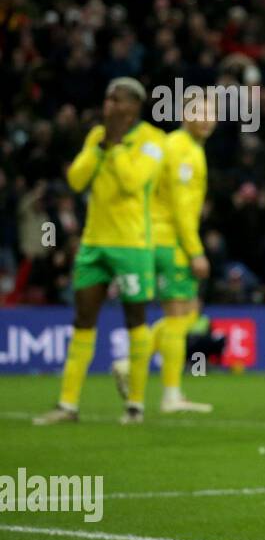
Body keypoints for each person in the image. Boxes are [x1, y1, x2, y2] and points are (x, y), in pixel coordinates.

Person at [34, 79, 167, 425]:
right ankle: (67, 405)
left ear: (134, 106)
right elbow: (77, 180)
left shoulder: (154, 141)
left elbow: (132, 183)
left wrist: (118, 145)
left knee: (135, 321)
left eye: (116, 99)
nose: (108, 105)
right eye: (107, 98)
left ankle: (135, 404)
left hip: (133, 244)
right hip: (93, 243)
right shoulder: (97, 136)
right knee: (82, 321)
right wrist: (100, 146)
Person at [111, 95, 215, 413]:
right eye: (200, 112)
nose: (208, 119)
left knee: (181, 315)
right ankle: (169, 394)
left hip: (155, 238)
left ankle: (134, 367)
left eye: (212, 113)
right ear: (185, 114)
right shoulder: (183, 150)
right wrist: (196, 251)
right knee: (179, 314)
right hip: (171, 242)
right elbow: (182, 210)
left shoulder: (174, 145)